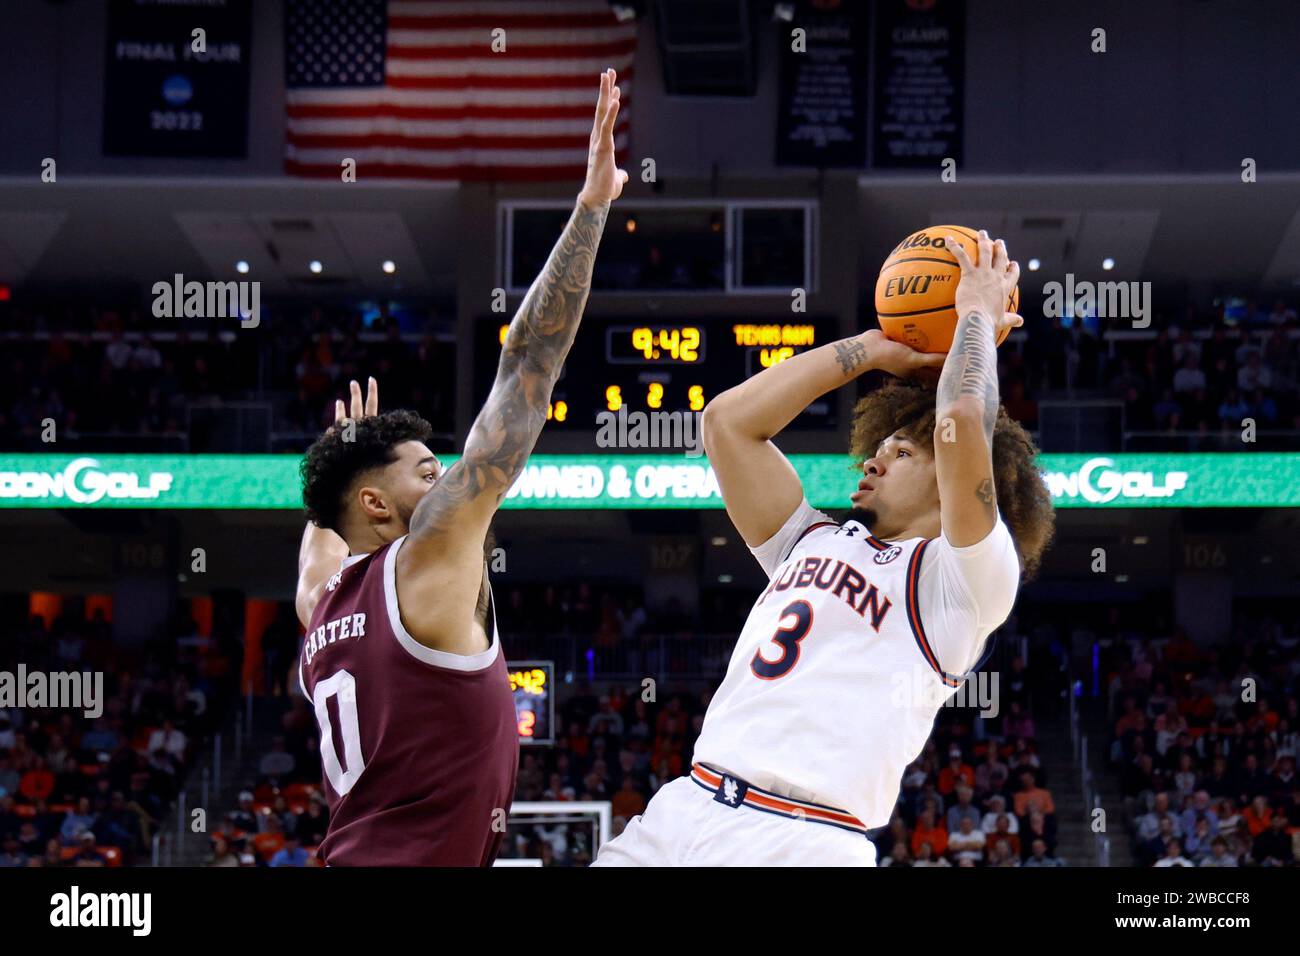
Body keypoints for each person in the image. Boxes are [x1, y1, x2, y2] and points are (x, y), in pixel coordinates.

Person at [595, 230, 1055, 866]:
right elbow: (728, 424)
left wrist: (973, 311)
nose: (874, 459)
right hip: (686, 808)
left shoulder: (963, 583)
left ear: (948, 484)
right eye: (878, 447)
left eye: (900, 452)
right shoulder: (807, 541)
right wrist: (868, 350)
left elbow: (959, 425)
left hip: (805, 839)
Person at [294, 70, 627, 867]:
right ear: (376, 504)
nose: (444, 483)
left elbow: (323, 541)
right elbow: (529, 367)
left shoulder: (319, 611)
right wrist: (591, 208)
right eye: (427, 470)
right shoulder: (428, 553)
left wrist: (345, 460)